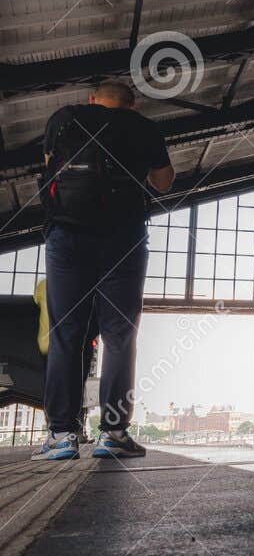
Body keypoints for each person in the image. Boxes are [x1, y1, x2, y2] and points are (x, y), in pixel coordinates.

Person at [32, 79, 173, 462]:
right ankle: (113, 433)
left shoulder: (64, 118)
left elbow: (50, 168)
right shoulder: (143, 127)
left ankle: (61, 435)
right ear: (132, 104)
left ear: (93, 99)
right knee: (120, 336)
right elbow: (163, 183)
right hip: (123, 239)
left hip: (67, 236)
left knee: (66, 334)